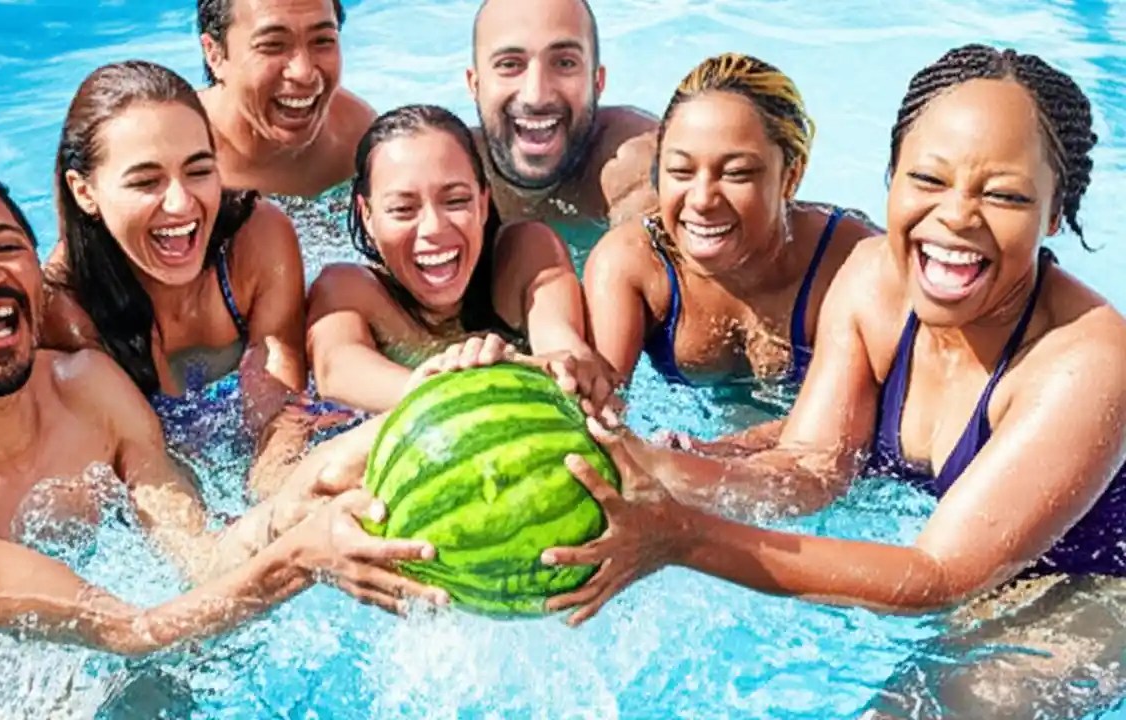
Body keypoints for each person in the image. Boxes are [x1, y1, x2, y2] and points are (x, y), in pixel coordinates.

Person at [541, 45, 1126, 718]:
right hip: (968, 558)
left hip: (1095, 581)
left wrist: (685, 538)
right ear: (891, 178)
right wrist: (645, 467)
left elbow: (938, 576)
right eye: (928, 181)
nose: (957, 217)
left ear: (1054, 213)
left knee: (943, 704)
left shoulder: (1085, 358)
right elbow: (811, 467)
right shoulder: (874, 279)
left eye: (1003, 195)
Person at [0, 162, 448, 656]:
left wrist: (328, 482)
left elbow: (201, 560)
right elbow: (127, 633)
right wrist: (299, 557)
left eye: (7, 247)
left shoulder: (85, 387)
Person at [42, 60, 330, 503]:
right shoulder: (65, 307)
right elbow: (144, 462)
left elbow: (284, 410)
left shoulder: (256, 239)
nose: (181, 205)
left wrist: (274, 504)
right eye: (146, 181)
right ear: (85, 191)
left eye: (198, 171)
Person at [584, 53, 877, 394]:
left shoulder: (847, 263)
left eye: (736, 173)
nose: (702, 200)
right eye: (680, 171)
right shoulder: (634, 266)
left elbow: (855, 422)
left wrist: (694, 451)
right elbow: (598, 405)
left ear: (791, 177)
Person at [306, 104, 616, 414]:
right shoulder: (350, 289)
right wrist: (440, 387)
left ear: (483, 201)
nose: (434, 229)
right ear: (368, 215)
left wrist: (535, 367)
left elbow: (564, 349)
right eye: (402, 209)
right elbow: (336, 369)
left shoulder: (526, 254)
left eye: (455, 201)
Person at [468, 0, 658, 227]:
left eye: (565, 63)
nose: (536, 96)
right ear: (475, 85)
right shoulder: (445, 170)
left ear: (597, 82)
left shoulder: (639, 163)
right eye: (509, 65)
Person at [197, 0, 375, 198]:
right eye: (272, 45)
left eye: (322, 40)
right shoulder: (175, 154)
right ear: (214, 54)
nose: (304, 73)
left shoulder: (354, 139)